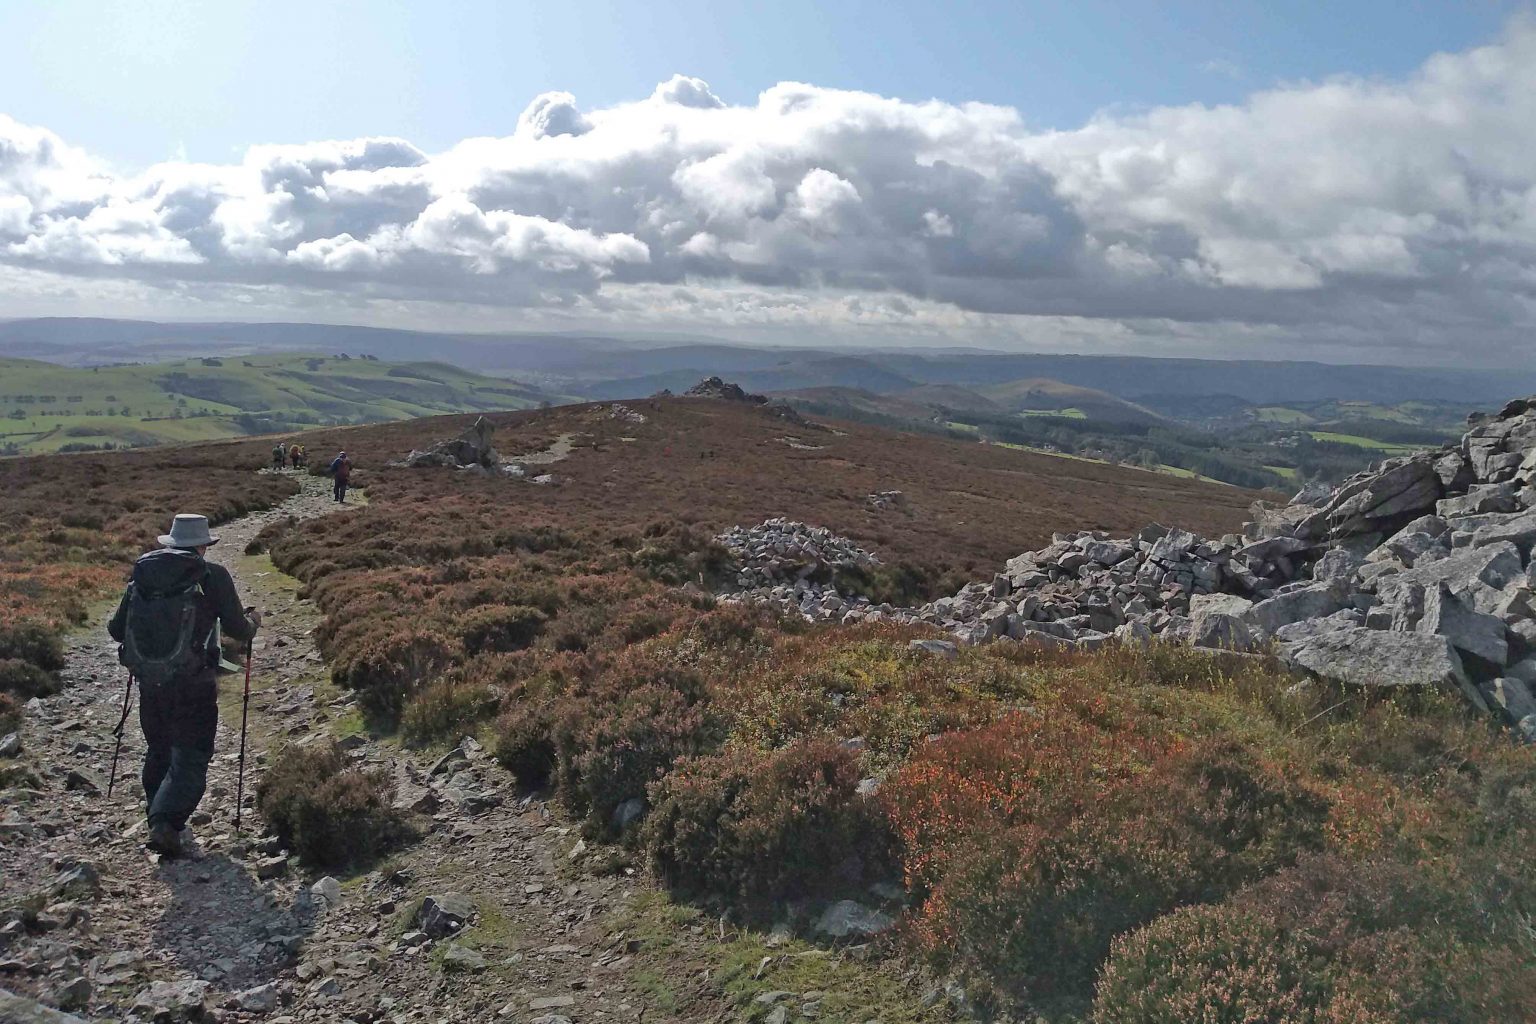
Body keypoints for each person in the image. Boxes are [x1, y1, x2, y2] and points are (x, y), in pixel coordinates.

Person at [108, 513, 262, 857]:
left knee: (159, 748)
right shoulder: (211, 575)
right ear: (203, 544)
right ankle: (165, 822)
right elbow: (239, 628)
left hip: (151, 682)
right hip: (195, 683)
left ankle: (157, 813)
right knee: (191, 755)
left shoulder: (143, 576)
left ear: (173, 541)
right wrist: (254, 621)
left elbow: (116, 630)